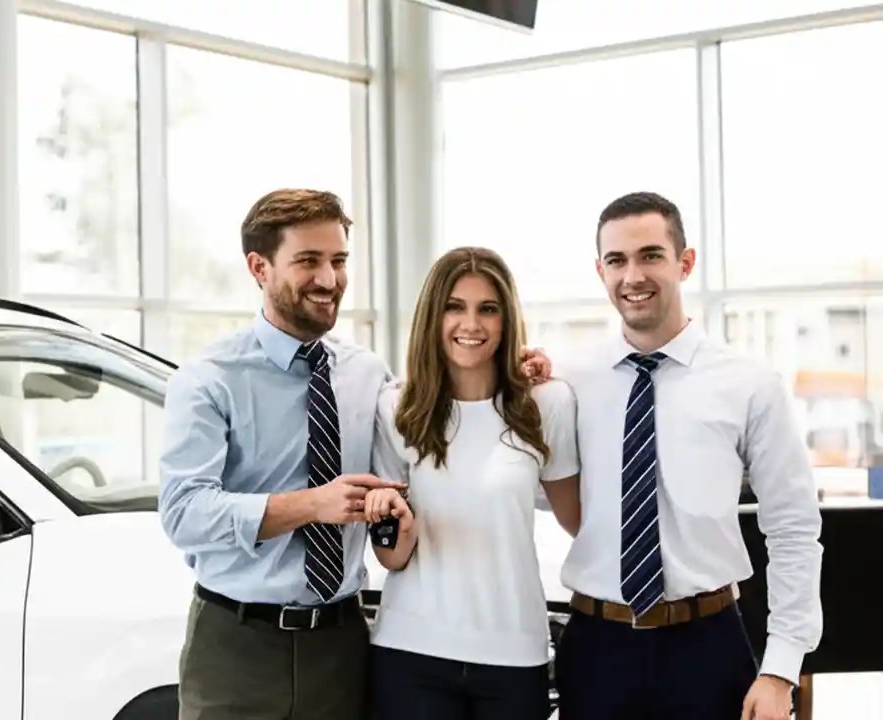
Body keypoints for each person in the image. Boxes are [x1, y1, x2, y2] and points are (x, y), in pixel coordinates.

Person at [157, 189, 553, 720]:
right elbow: (184, 514)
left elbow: (442, 414)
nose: (329, 279)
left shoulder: (368, 377)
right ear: (259, 267)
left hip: (341, 645)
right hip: (237, 645)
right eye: (308, 261)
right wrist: (311, 505)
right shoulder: (209, 379)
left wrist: (515, 365)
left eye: (338, 260)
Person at [553, 191, 823, 720]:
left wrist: (780, 668)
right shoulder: (568, 383)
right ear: (600, 270)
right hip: (595, 649)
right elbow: (541, 493)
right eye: (617, 260)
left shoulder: (747, 383)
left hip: (709, 647)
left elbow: (792, 526)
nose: (633, 275)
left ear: (685, 261)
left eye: (650, 255)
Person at [364, 246, 582, 720]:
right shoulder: (395, 408)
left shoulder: (546, 404)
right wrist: (393, 522)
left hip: (513, 653)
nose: (472, 325)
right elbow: (391, 556)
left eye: (488, 309)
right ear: (432, 317)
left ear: (507, 320)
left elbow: (580, 522)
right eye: (454, 307)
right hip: (411, 649)